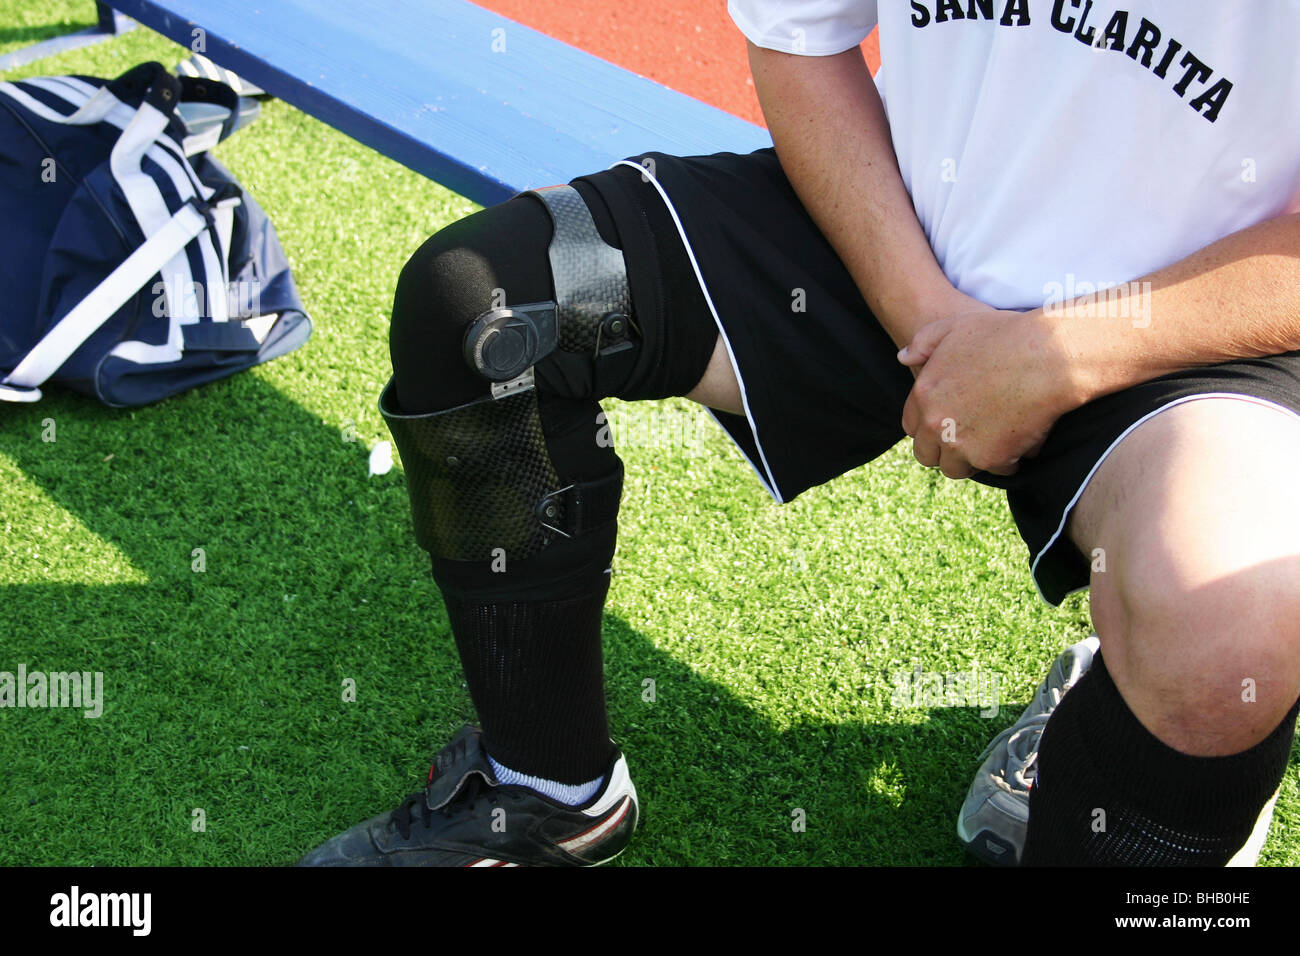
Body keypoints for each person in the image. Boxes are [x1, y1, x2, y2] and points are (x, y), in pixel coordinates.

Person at [298, 0, 1300, 866]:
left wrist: (1059, 353)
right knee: (486, 306)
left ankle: (1132, 723)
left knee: (1224, 630)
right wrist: (932, 329)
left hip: (1189, 322)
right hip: (899, 244)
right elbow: (800, 43)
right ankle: (546, 786)